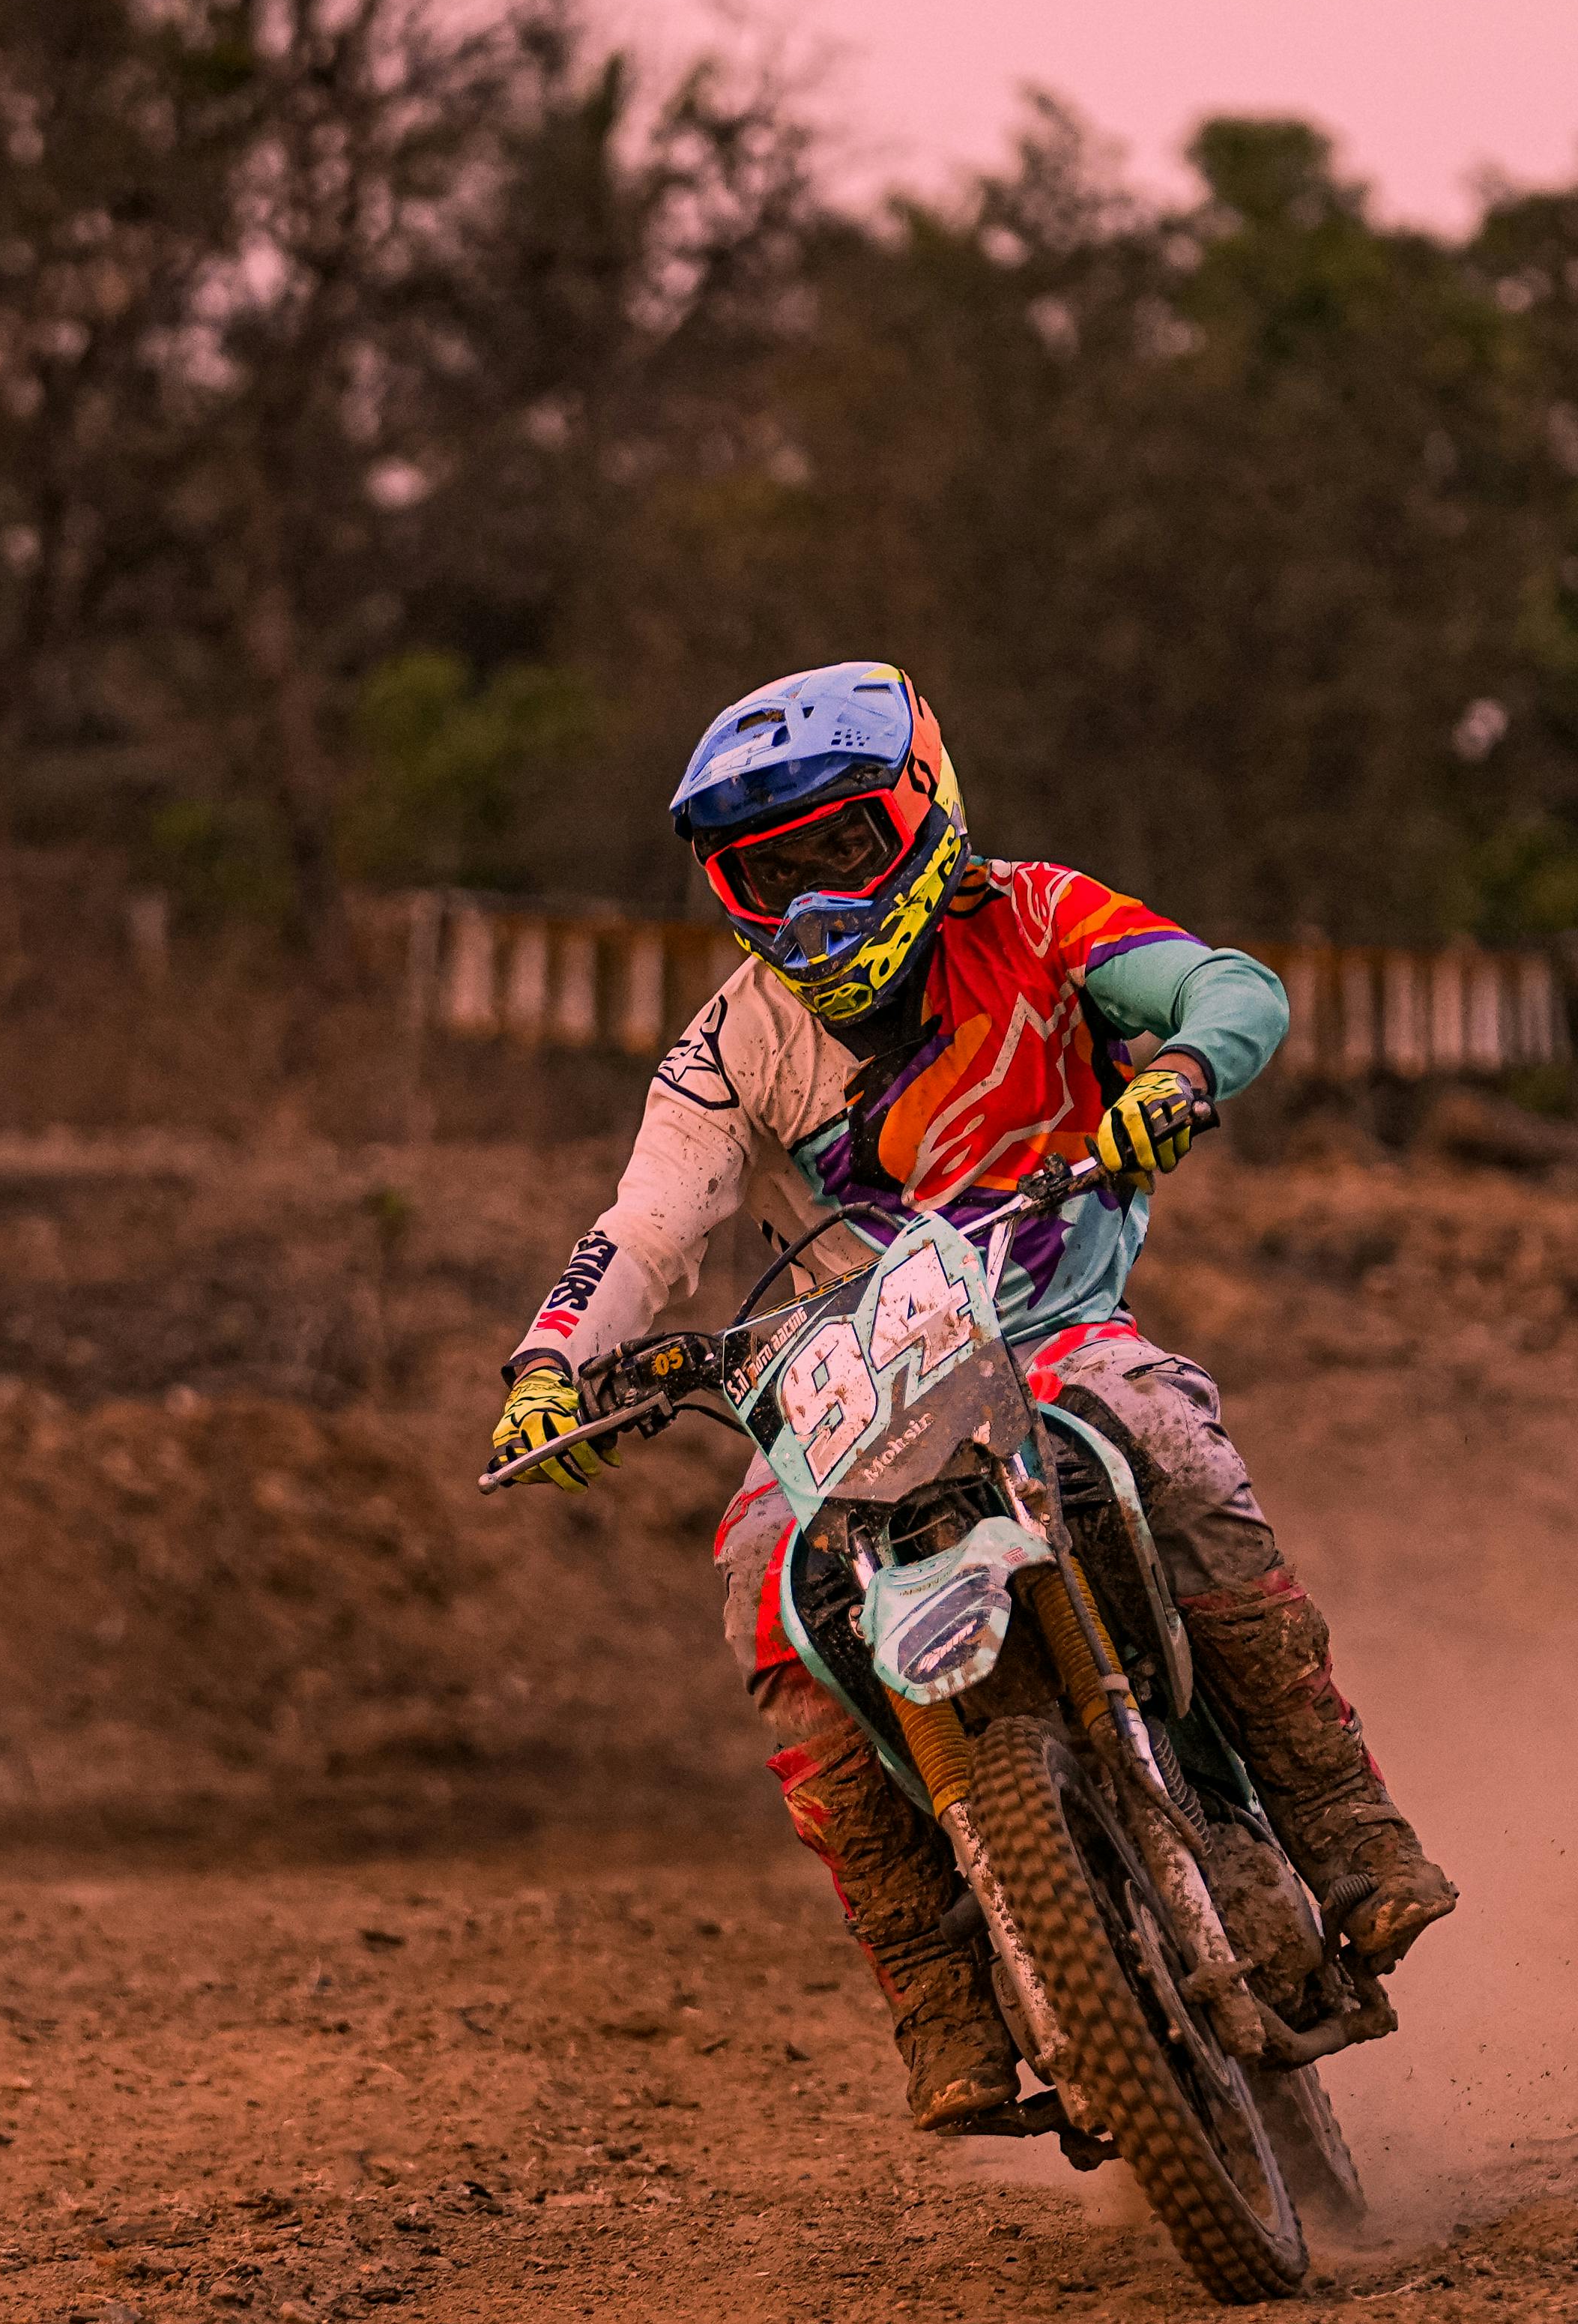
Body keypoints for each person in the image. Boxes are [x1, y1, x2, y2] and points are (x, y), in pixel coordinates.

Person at [489, 663, 1454, 2131]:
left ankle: (1349, 1828)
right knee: (761, 1574)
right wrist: (555, 1361)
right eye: (771, 876)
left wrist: (1184, 1072)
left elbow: (1228, 985)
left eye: (843, 855)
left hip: (1051, 1328)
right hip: (842, 1389)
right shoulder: (729, 1043)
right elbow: (647, 1227)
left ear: (926, 814)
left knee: (1165, 1440)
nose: (813, 911)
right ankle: (943, 1993)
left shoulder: (1039, 915)